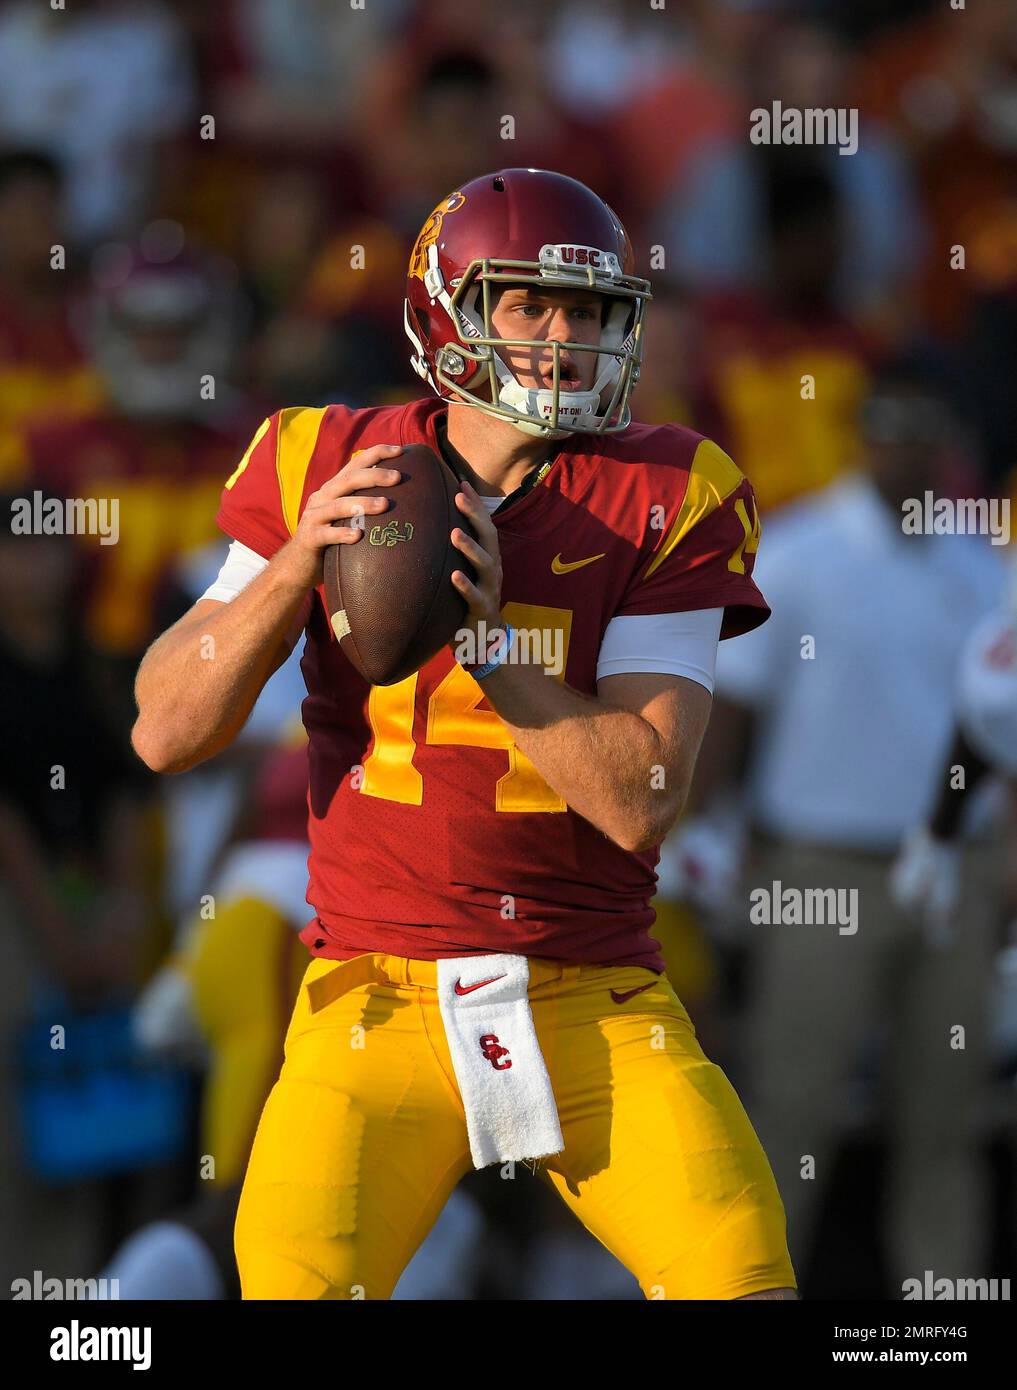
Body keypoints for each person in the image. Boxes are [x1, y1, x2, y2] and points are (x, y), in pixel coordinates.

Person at [131, 167, 796, 1301]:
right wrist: (297, 565)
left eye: (585, 311)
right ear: (447, 311)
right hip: (371, 996)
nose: (560, 337)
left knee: (742, 1276)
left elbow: (642, 794)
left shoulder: (667, 486)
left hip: (589, 990)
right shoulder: (326, 458)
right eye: (526, 305)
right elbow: (164, 731)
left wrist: (493, 650)